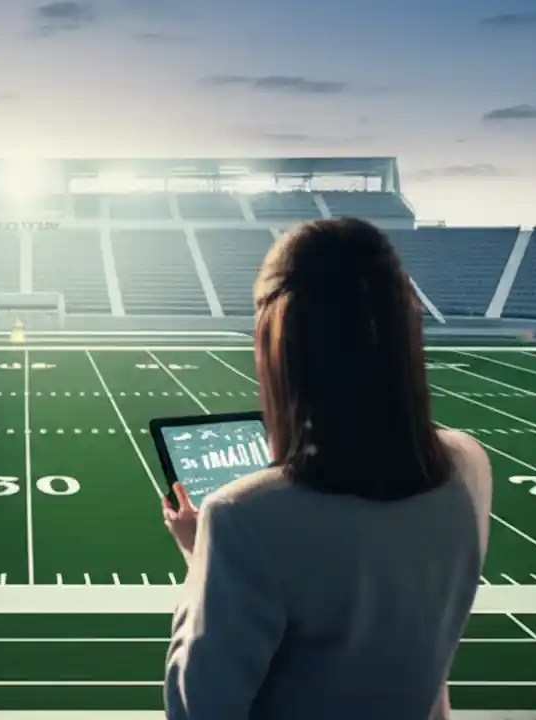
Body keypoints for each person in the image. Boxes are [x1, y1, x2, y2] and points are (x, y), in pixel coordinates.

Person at [162, 218, 492, 720]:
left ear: (282, 349)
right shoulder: (469, 464)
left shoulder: (240, 517)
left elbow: (199, 710)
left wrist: (203, 561)